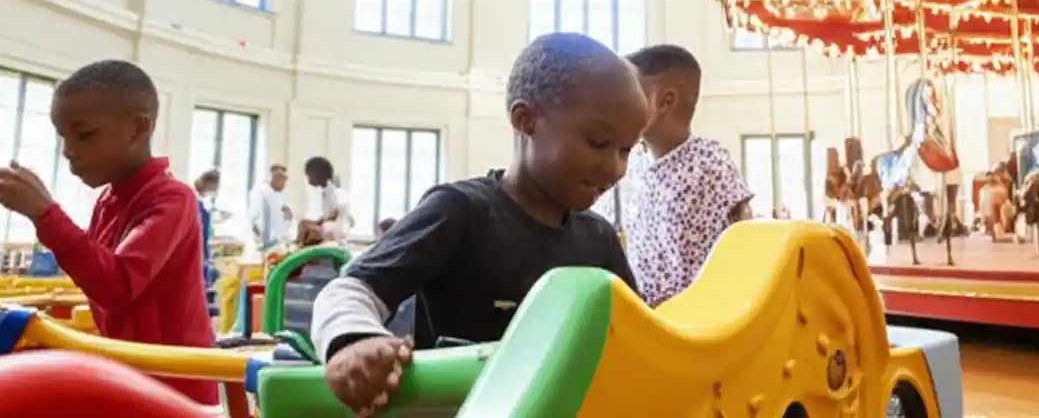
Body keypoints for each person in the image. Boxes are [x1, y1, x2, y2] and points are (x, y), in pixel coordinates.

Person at [312, 33, 648, 414]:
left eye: (626, 151)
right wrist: (354, 341)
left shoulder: (599, 239)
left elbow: (640, 340)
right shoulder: (461, 211)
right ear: (526, 121)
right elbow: (349, 289)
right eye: (599, 142)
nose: (615, 168)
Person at [0, 60, 218, 406]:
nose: (68, 151)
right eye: (63, 137)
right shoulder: (109, 201)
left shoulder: (172, 198)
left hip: (177, 387)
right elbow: (96, 274)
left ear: (138, 129)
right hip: (131, 375)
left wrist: (45, 214)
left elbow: (116, 285)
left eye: (84, 135)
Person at [625, 44, 753, 307]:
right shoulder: (635, 165)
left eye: (629, 94)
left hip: (701, 323)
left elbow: (741, 244)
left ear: (665, 102)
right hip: (647, 322)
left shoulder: (708, 163)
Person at [305, 156, 352, 242]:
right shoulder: (325, 193)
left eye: (309, 175)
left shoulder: (338, 193)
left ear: (318, 174)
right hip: (330, 230)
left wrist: (317, 223)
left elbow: (334, 215)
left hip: (336, 235)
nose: (309, 179)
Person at [249, 164, 294, 252]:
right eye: (281, 179)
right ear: (273, 177)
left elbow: (285, 220)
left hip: (279, 245)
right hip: (266, 245)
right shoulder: (262, 193)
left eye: (285, 180)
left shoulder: (279, 196)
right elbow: (254, 220)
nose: (284, 183)